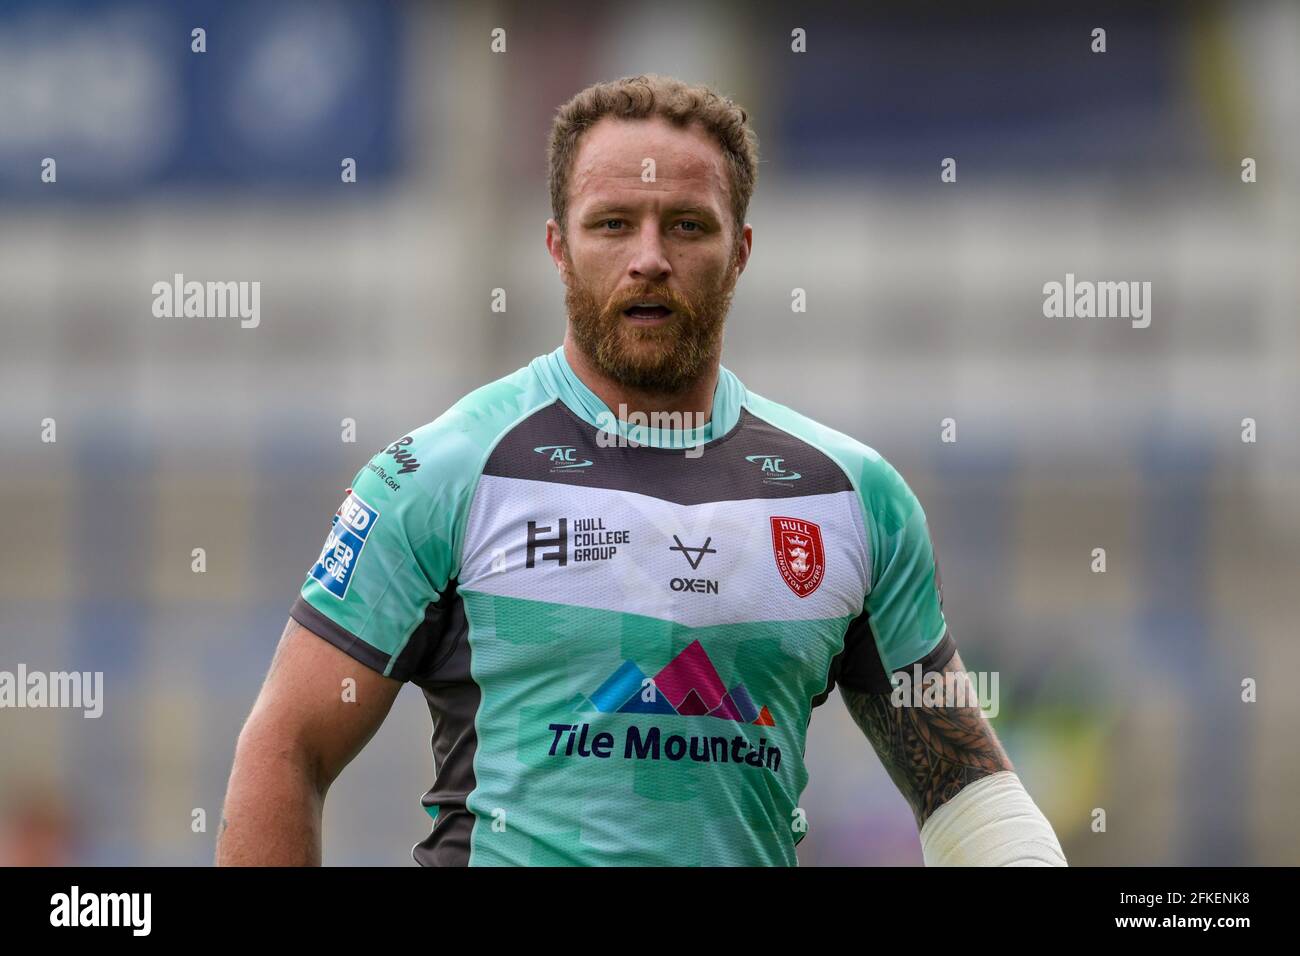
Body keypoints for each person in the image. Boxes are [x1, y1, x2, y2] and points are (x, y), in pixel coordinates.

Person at [217, 74, 1066, 867]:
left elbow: (964, 787)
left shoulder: (851, 497)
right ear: (558, 246)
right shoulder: (442, 472)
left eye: (688, 224)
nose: (650, 256)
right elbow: (288, 747)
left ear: (740, 252)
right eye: (613, 223)